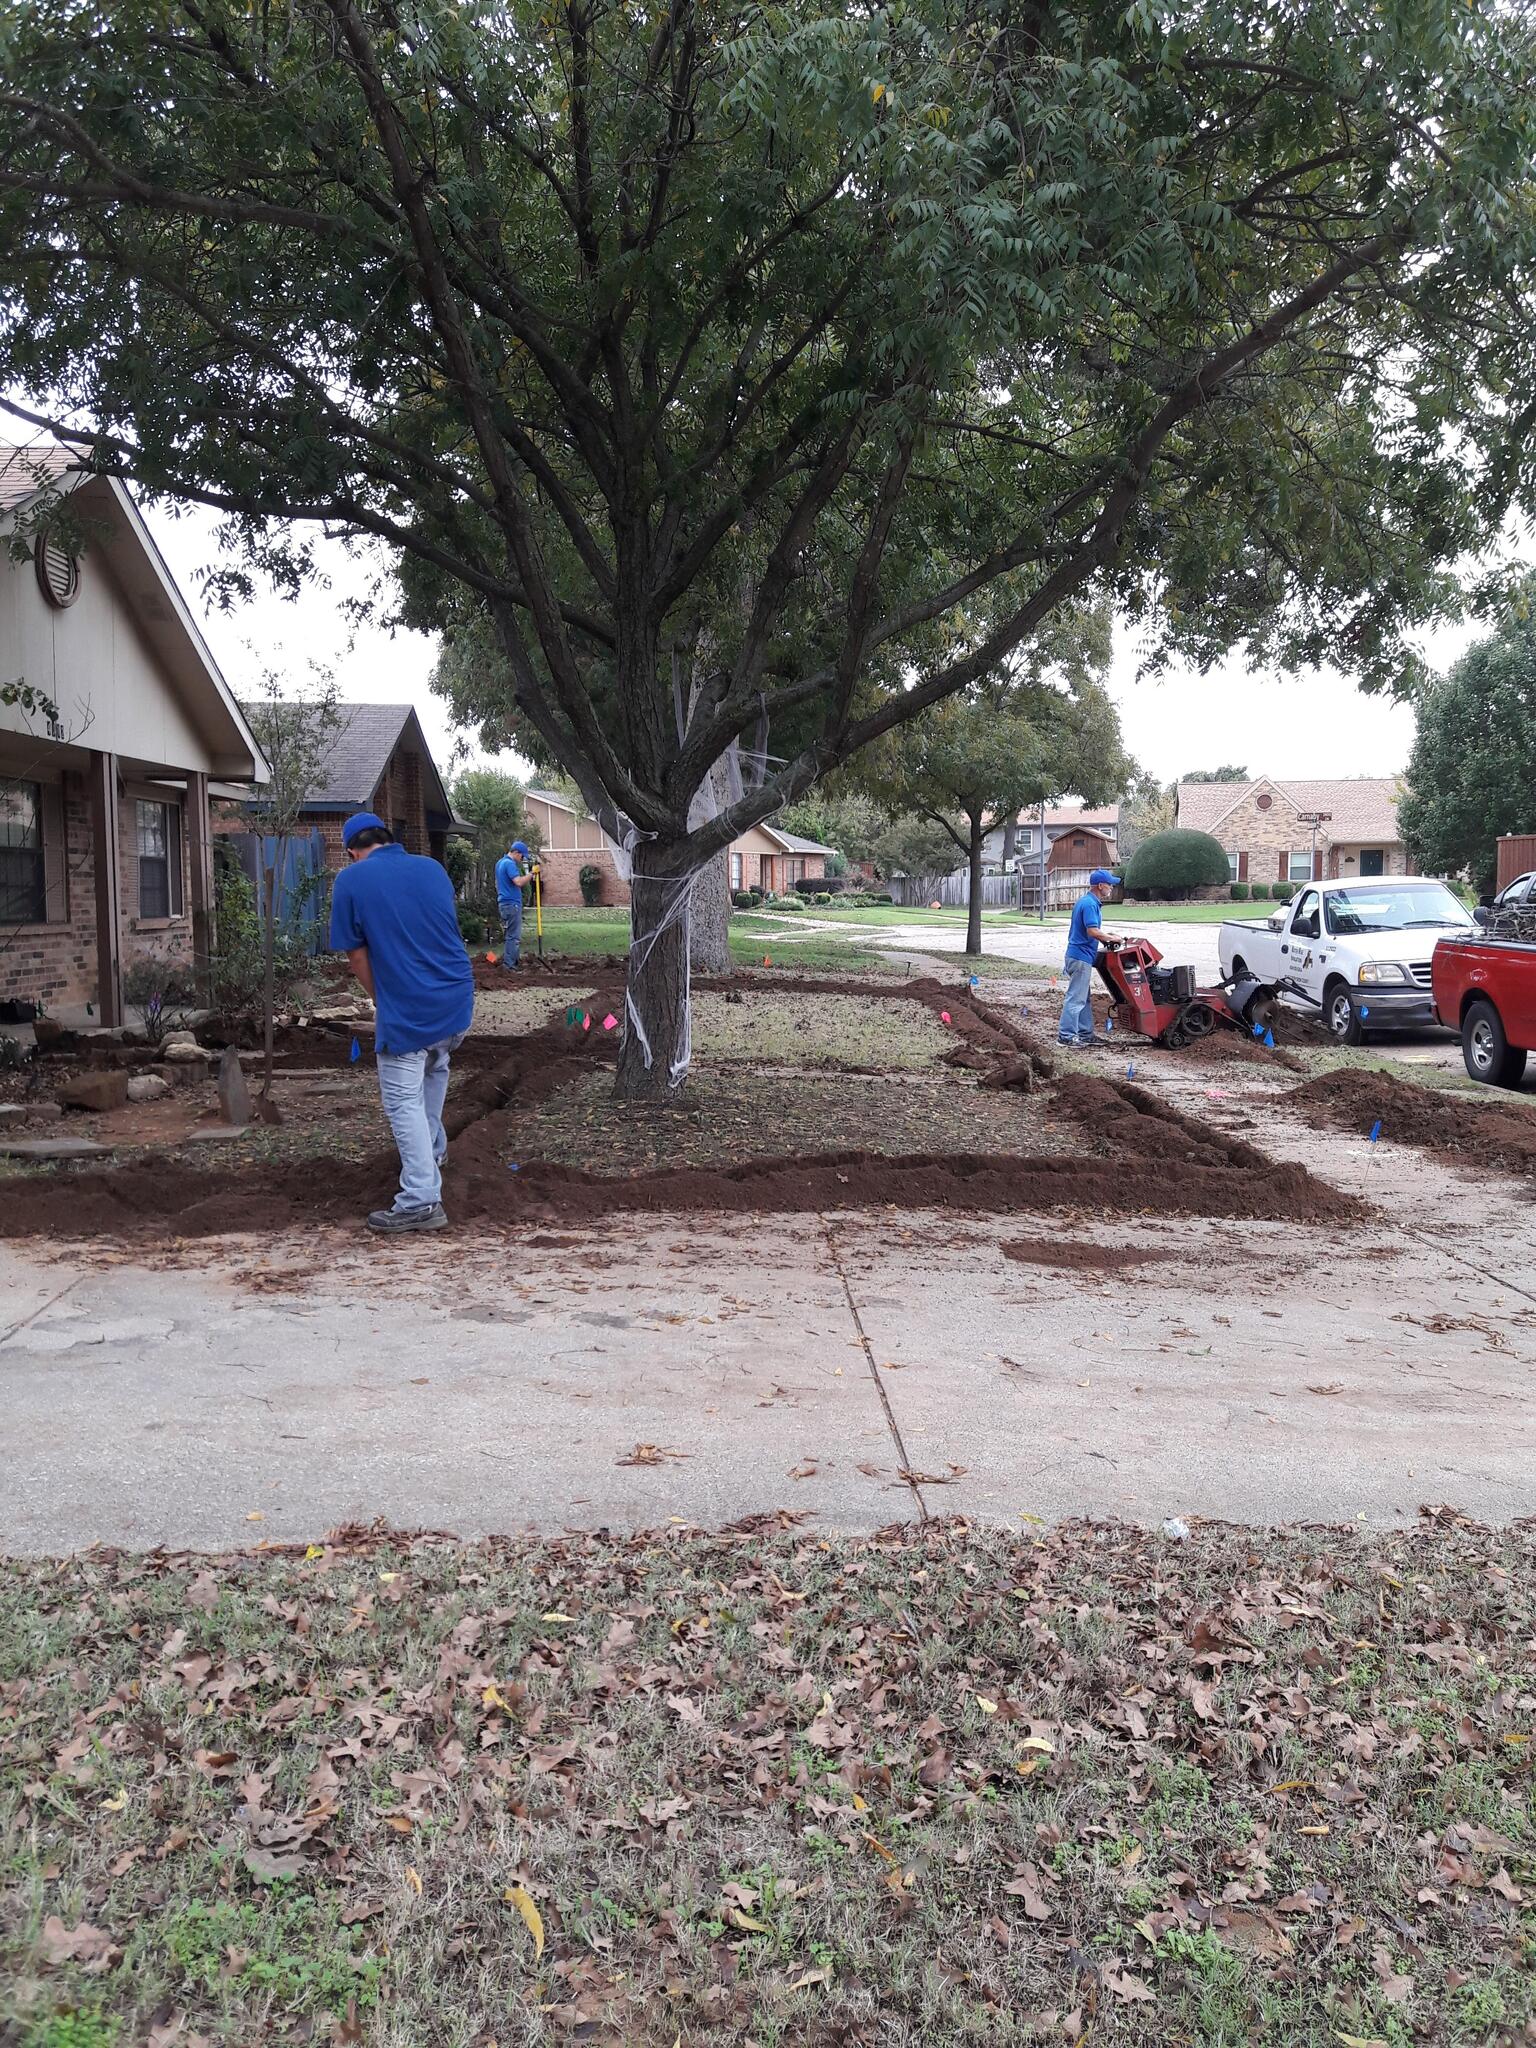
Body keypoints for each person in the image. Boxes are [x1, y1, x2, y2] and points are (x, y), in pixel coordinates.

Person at [328, 812, 476, 1233]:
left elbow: (356, 955)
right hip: (457, 1002)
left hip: (411, 1009)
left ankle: (420, 1200)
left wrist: (382, 1000)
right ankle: (432, 1154)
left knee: (402, 1100)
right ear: (389, 839)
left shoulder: (352, 880)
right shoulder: (431, 868)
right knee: (435, 1067)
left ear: (353, 850)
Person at [1058, 867, 1121, 1048]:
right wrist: (1112, 938)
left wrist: (1107, 936)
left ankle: (1085, 1034)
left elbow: (1091, 931)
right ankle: (1066, 1036)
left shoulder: (1086, 901)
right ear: (1100, 885)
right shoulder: (1090, 904)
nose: (1111, 888)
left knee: (1083, 998)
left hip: (1078, 956)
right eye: (1109, 884)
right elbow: (1092, 931)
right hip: (1080, 958)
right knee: (1076, 998)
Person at [494, 838, 536, 968]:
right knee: (513, 936)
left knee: (510, 935)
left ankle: (512, 962)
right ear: (516, 852)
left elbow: (497, 884)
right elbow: (518, 882)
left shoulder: (500, 863)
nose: (522, 858)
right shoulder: (509, 864)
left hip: (504, 903)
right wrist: (532, 874)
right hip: (512, 904)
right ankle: (510, 965)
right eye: (522, 856)